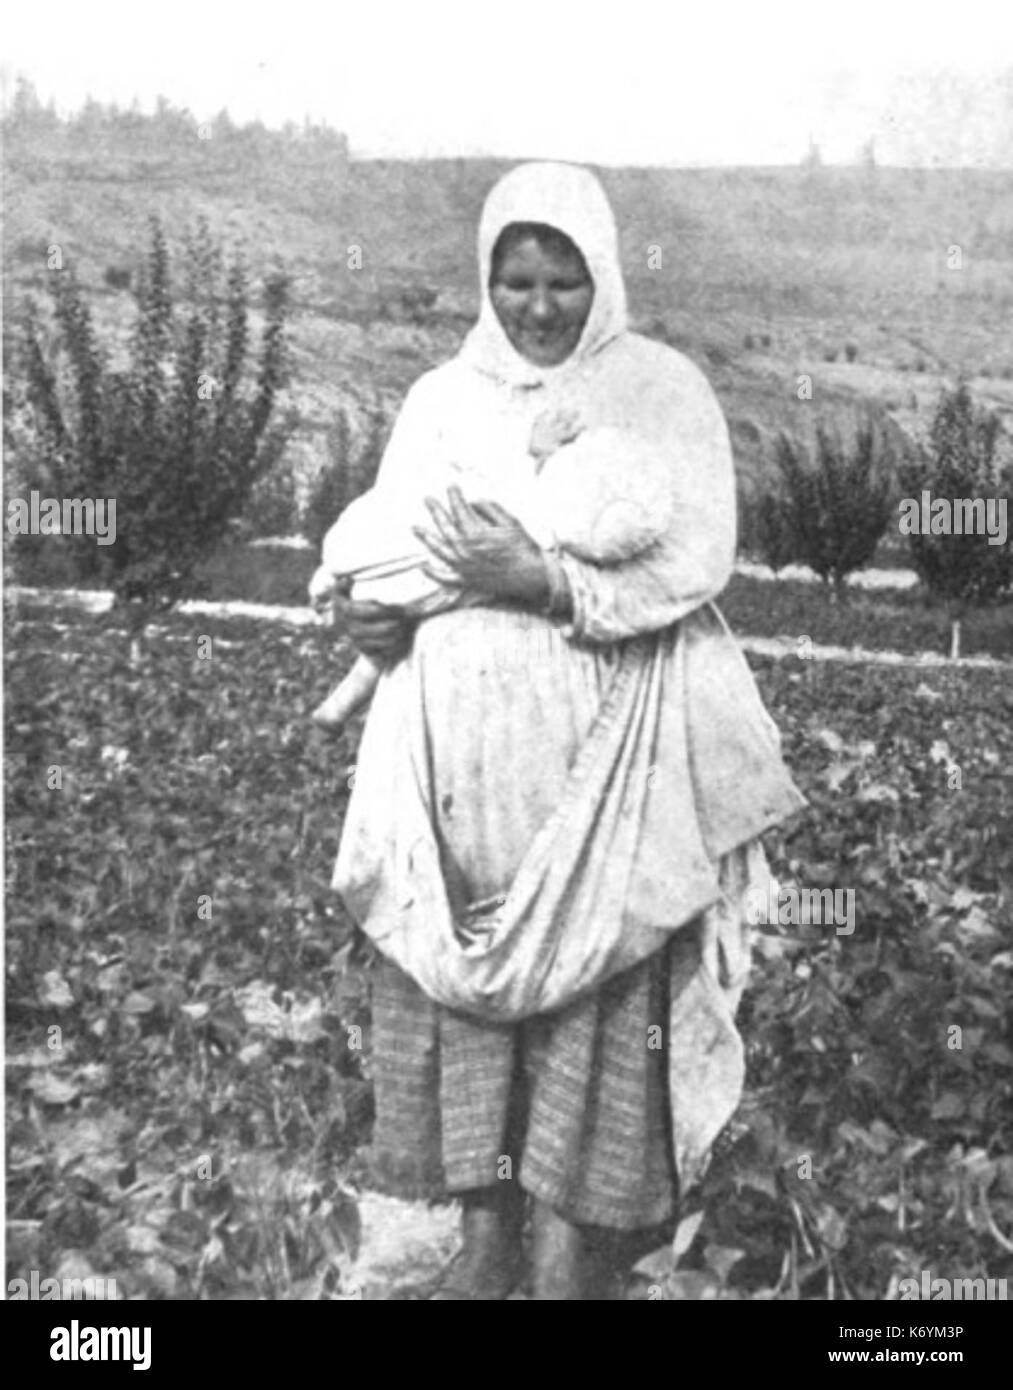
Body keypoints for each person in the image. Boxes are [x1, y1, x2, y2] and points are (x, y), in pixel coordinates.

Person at [327, 161, 806, 1300]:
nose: (537, 307)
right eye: (514, 281)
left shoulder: (657, 389)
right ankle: (487, 1240)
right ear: (483, 279)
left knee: (593, 1000)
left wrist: (538, 578)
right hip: (453, 773)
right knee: (465, 1004)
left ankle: (563, 1252)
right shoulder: (441, 399)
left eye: (561, 281)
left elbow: (693, 561)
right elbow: (382, 550)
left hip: (605, 769)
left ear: (601, 275)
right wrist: (363, 612)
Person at [308, 406, 675, 733]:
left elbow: (509, 490)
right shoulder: (554, 524)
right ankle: (341, 699)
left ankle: (340, 696)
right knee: (387, 638)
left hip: (415, 570)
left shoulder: (539, 509)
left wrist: (537, 454)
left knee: (388, 634)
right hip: (428, 574)